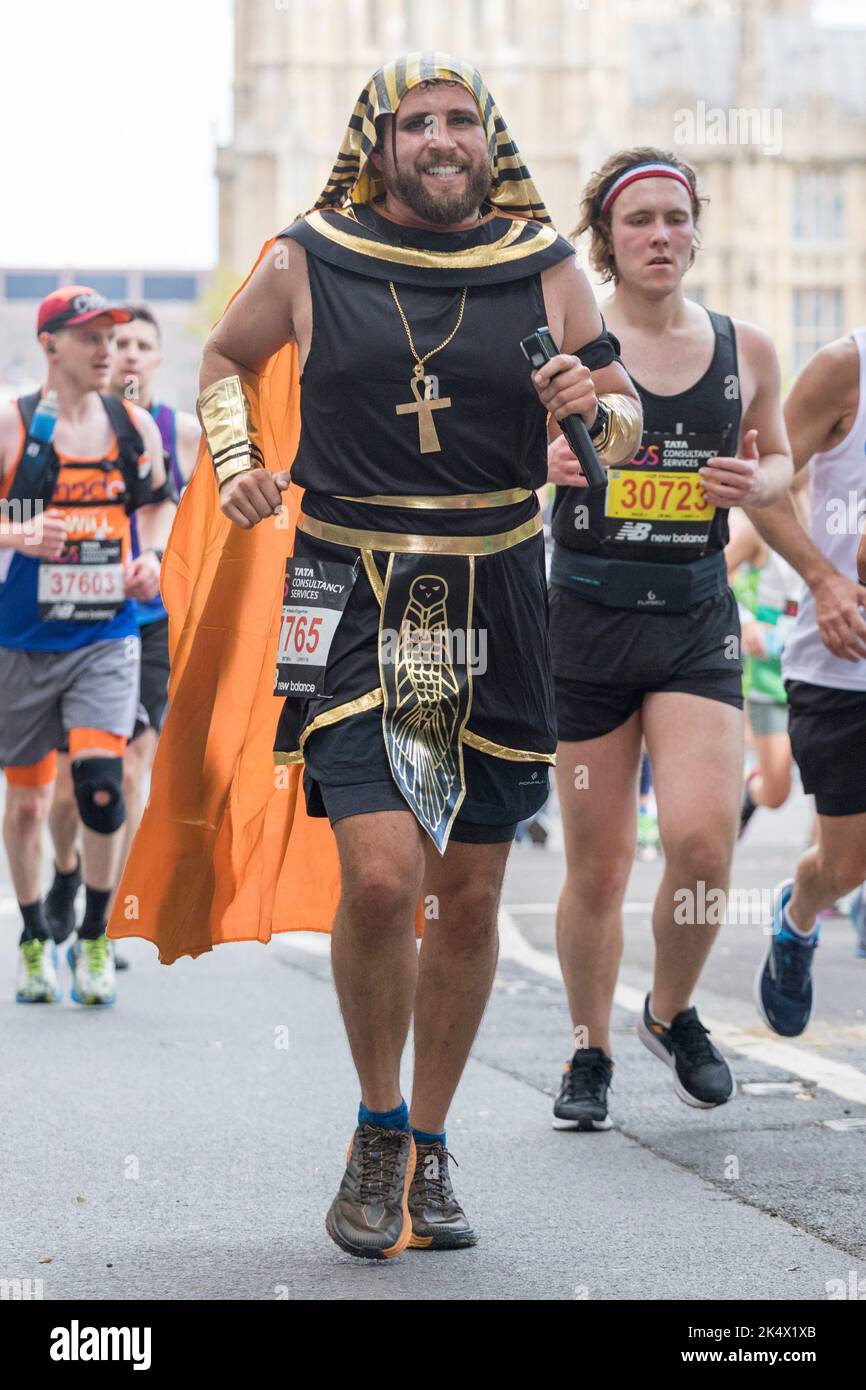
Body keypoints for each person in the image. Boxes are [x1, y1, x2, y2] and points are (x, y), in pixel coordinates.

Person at [110, 55, 641, 1257]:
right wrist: (240, 454)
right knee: (383, 877)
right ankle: (377, 1125)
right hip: (346, 587)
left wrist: (590, 403)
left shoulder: (543, 262)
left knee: (466, 894)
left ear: (486, 140)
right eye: (419, 123)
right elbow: (224, 362)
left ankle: (434, 1147)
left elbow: (621, 418)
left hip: (499, 590)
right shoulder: (308, 252)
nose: (442, 139)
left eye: (461, 122)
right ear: (380, 141)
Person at [547, 149, 792, 1131]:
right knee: (598, 865)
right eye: (638, 219)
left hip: (692, 615)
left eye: (674, 218)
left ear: (695, 231)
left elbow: (776, 460)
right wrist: (543, 461)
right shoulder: (571, 346)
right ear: (606, 238)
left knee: (699, 841)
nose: (658, 235)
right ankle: (586, 1049)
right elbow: (500, 453)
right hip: (586, 621)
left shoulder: (746, 350)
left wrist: (757, 485)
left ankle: (668, 1009)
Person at [0, 286, 174, 1005]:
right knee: (30, 809)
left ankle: (96, 934)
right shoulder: (11, 429)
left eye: (115, 337)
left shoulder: (134, 428)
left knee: (103, 788)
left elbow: (159, 501)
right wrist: (14, 533)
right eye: (92, 338)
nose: (108, 351)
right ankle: (38, 932)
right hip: (21, 642)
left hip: (107, 635)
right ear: (51, 346)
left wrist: (152, 559)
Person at [44, 305, 197, 947]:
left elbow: (199, 522)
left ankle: (109, 909)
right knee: (60, 788)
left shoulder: (178, 431)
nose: (129, 354)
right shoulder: (64, 427)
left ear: (158, 356)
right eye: (118, 343)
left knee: (129, 768)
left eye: (141, 344)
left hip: (150, 619)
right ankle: (66, 869)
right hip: (74, 617)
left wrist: (161, 563)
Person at [748, 328, 866, 1035]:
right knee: (846, 865)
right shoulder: (843, 369)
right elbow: (761, 484)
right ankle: (797, 917)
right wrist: (824, 581)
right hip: (842, 664)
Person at [725, 512, 799, 835]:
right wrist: (746, 621)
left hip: (824, 669)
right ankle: (753, 787)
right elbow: (716, 576)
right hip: (770, 678)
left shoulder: (840, 518)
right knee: (777, 792)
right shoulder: (761, 525)